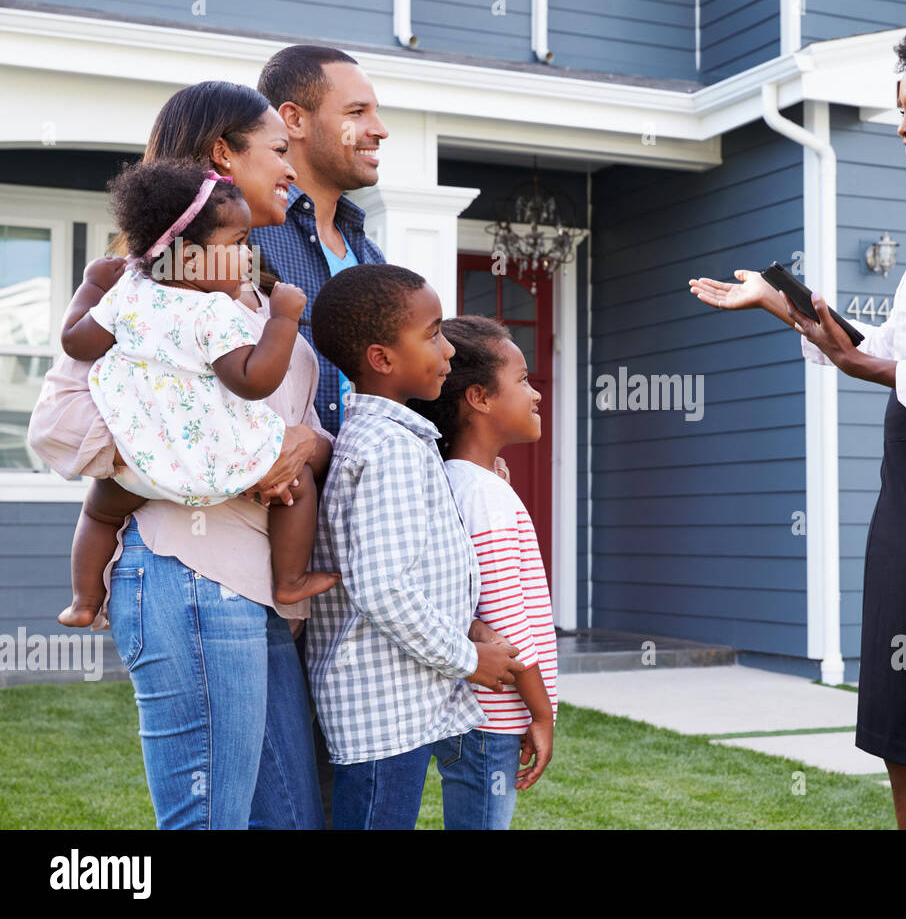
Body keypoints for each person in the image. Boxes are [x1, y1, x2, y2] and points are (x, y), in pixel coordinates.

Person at [688, 0, 906, 829]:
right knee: (905, 730)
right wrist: (782, 302)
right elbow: (884, 343)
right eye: (901, 110)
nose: (905, 126)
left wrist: (865, 365)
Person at [27, 81, 330, 829]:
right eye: (278, 150)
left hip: (257, 590)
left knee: (290, 821)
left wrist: (304, 446)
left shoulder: (252, 292)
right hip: (190, 578)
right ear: (223, 155)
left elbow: (293, 425)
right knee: (208, 821)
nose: (291, 168)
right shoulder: (138, 290)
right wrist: (215, 465)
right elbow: (60, 430)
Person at [58, 160, 339, 630]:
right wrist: (283, 320)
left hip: (142, 460)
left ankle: (85, 601)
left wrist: (91, 285)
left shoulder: (128, 293)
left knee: (99, 512)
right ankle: (290, 580)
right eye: (239, 243)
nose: (248, 257)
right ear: (190, 259)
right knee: (297, 486)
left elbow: (76, 342)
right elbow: (253, 380)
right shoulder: (214, 310)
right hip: (219, 462)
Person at [306, 264, 526, 830]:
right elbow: (383, 588)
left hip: (395, 702)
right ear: (382, 358)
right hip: (383, 711)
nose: (448, 348)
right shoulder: (391, 450)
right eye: (433, 334)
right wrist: (469, 658)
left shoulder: (395, 438)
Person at [411, 316, 558, 830]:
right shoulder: (484, 495)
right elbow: (505, 621)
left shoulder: (458, 482)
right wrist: (541, 713)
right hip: (492, 716)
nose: (536, 393)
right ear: (479, 398)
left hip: (470, 710)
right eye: (522, 380)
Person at [251, 44, 388, 438]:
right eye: (357, 112)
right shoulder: (243, 237)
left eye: (375, 112)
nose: (380, 129)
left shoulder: (372, 258)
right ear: (294, 120)